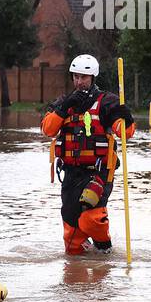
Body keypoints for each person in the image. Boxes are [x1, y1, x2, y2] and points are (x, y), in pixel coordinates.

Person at [41, 53, 136, 255]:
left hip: (99, 173)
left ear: (92, 78)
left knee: (91, 217)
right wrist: (65, 107)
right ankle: (77, 277)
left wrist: (125, 117)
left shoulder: (108, 102)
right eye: (75, 77)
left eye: (83, 77)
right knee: (72, 235)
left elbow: (126, 133)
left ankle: (104, 249)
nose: (79, 81)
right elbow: (48, 130)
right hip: (71, 173)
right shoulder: (63, 103)